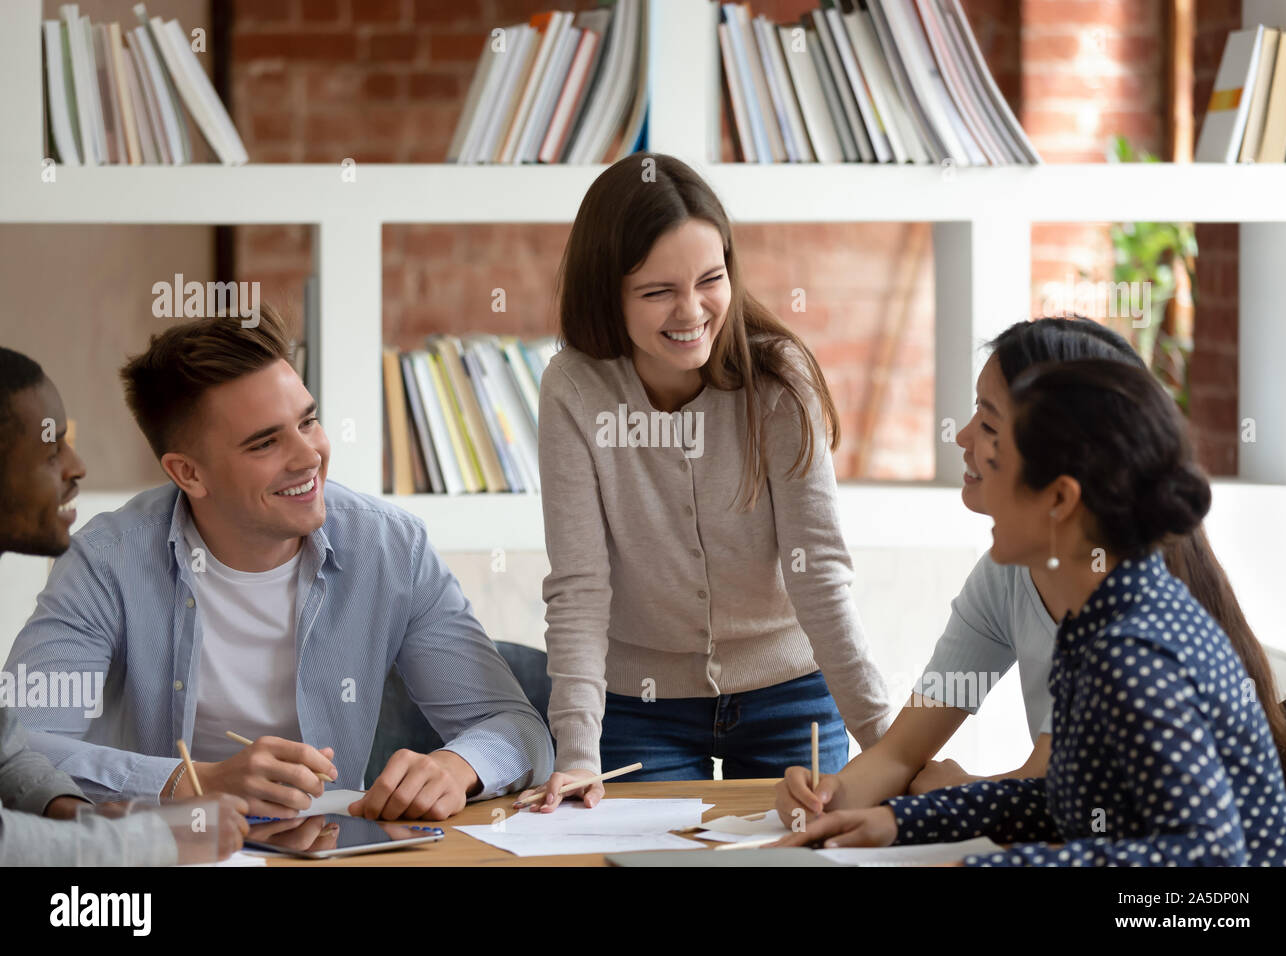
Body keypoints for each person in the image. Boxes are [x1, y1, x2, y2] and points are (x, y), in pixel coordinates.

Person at [7, 307, 553, 822]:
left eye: (308, 421)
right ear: (188, 474)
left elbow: (516, 728)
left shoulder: (389, 547)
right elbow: (21, 746)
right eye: (265, 442)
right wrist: (192, 782)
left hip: (331, 846)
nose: (309, 455)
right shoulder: (107, 560)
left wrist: (456, 768)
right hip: (163, 852)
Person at [775, 317, 1286, 825]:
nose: (961, 437)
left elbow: (1064, 817)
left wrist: (956, 801)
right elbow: (913, 759)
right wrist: (834, 798)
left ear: (1059, 484)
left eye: (988, 422)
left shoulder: (1130, 635)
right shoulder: (1039, 592)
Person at [519, 152, 891, 811]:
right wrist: (577, 754)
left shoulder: (778, 382)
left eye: (710, 279)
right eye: (657, 291)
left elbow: (819, 573)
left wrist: (888, 746)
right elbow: (579, 586)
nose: (691, 310)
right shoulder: (574, 388)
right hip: (642, 706)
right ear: (610, 293)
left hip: (791, 690)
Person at [0, 345, 247, 864]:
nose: (77, 466)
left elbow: (4, 751)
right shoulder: (110, 553)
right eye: (51, 454)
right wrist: (149, 841)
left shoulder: (384, 540)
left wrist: (83, 814)